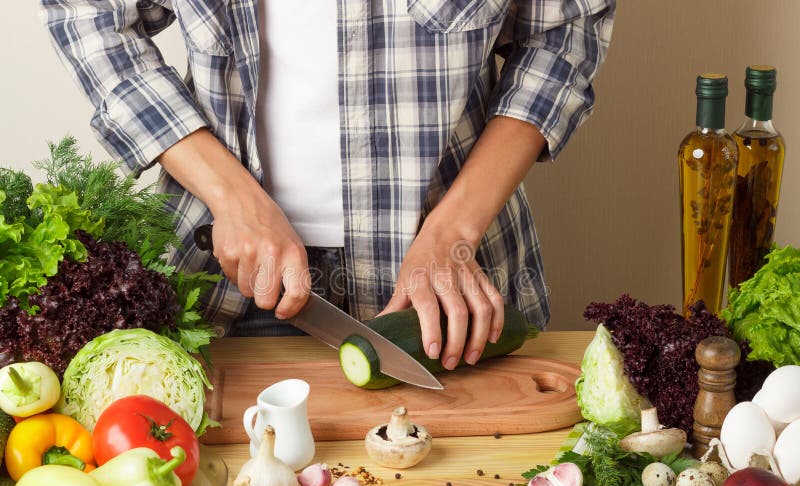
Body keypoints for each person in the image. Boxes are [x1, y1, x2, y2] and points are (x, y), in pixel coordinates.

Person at [40, 0, 615, 371]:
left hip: (445, 279)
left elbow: (562, 36)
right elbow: (86, 15)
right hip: (223, 277)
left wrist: (454, 230)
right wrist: (233, 199)